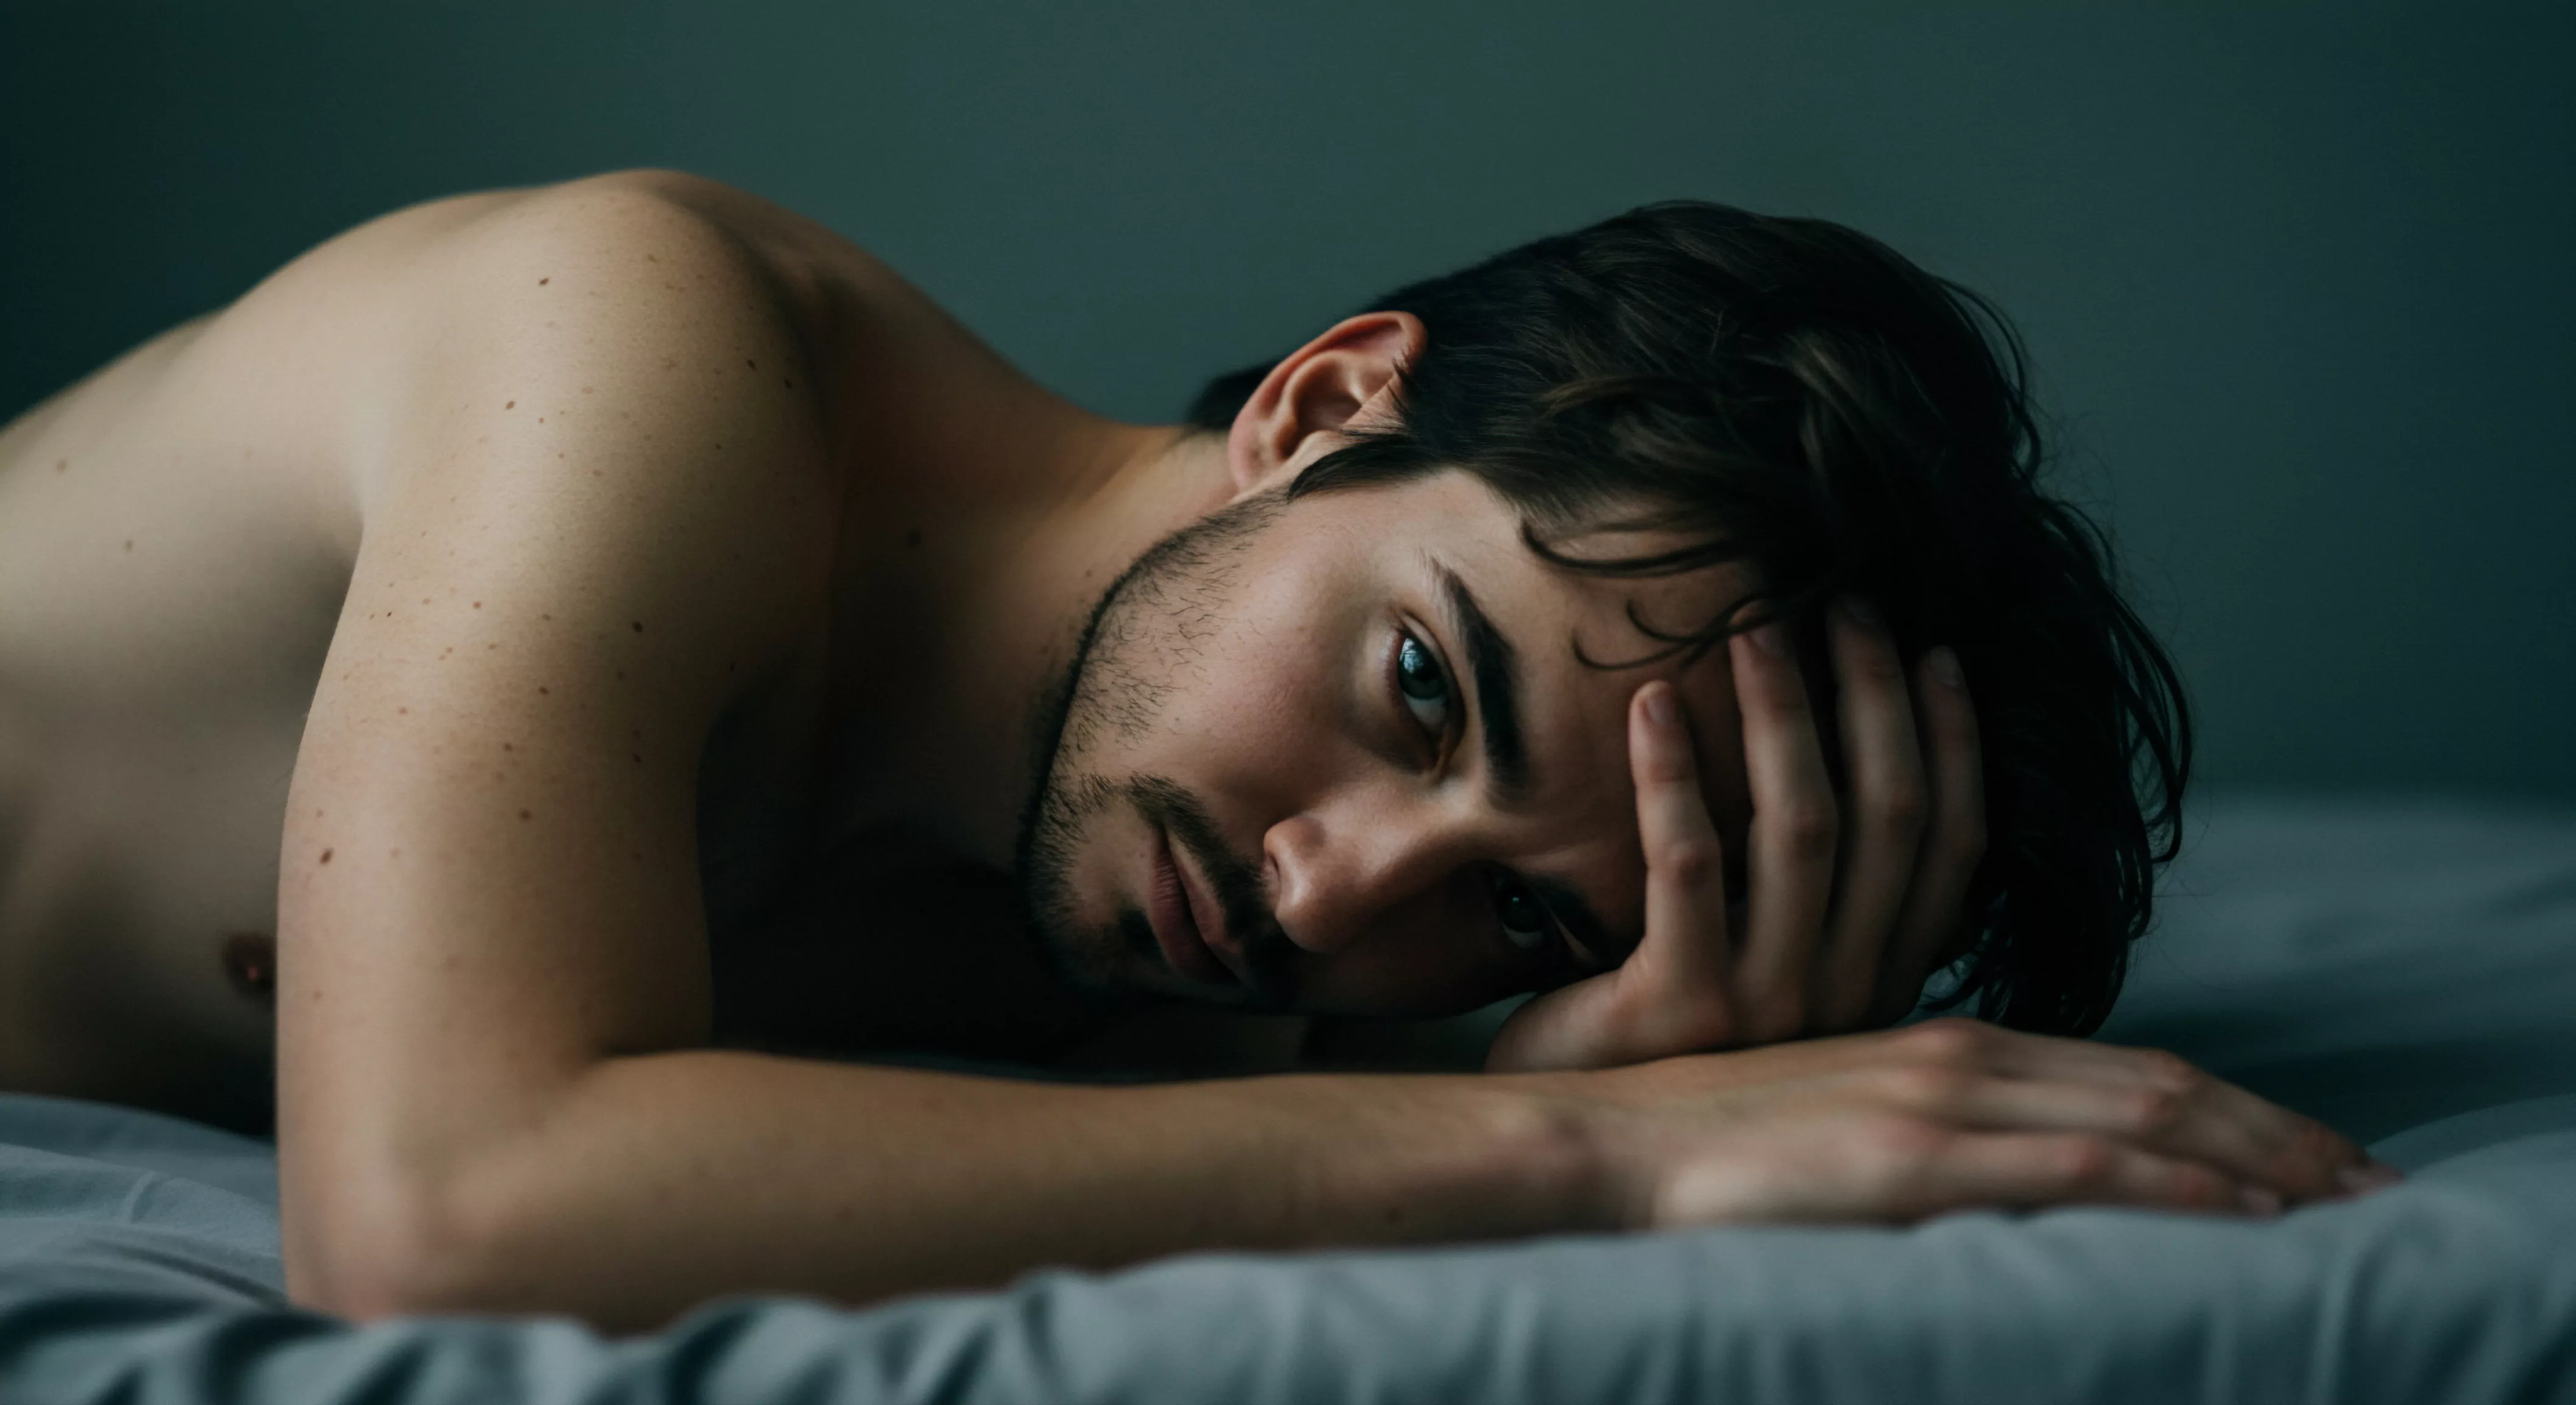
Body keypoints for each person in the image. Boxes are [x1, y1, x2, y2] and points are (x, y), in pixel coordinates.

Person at [0, 170, 2394, 1331]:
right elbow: (442, 1220)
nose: (1343, 898)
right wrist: (1594, 1148)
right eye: (1424, 690)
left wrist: (1576, 1058)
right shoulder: (644, 346)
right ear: (1324, 407)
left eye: (1522, 908)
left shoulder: (1198, 1024)